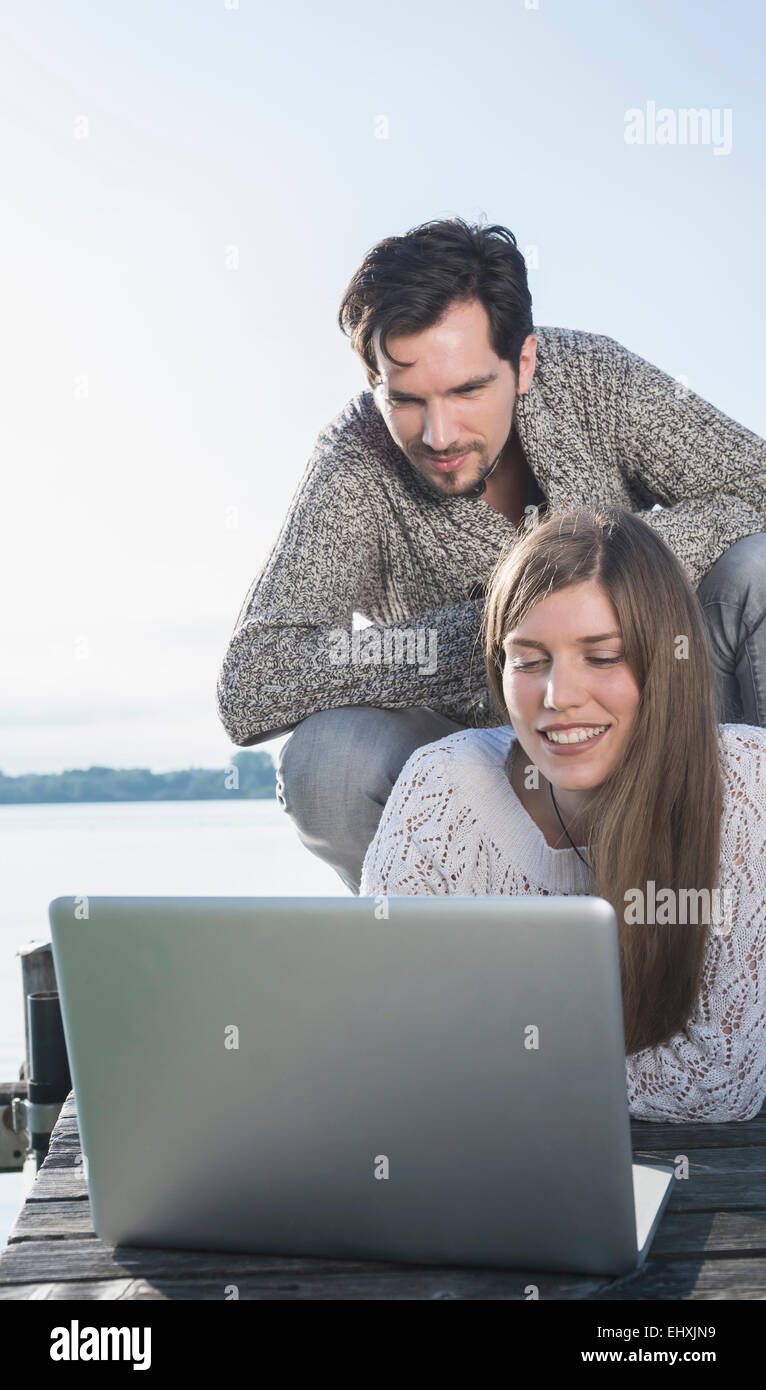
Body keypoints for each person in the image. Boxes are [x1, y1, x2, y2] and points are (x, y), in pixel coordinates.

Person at [215, 216, 766, 894]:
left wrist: (615, 570)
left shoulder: (592, 377)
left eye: (469, 390)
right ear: (373, 380)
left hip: (656, 718)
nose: (439, 433)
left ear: (525, 362)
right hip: (487, 767)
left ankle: (746, 893)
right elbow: (253, 681)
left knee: (759, 573)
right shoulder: (354, 462)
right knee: (328, 761)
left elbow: (758, 485)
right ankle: (448, 962)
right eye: (407, 400)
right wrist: (497, 634)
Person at [359, 507, 766, 1124]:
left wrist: (482, 1058)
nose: (558, 697)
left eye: (602, 657)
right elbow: (384, 1030)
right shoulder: (439, 788)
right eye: (529, 659)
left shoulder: (745, 779)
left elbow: (718, 1077)